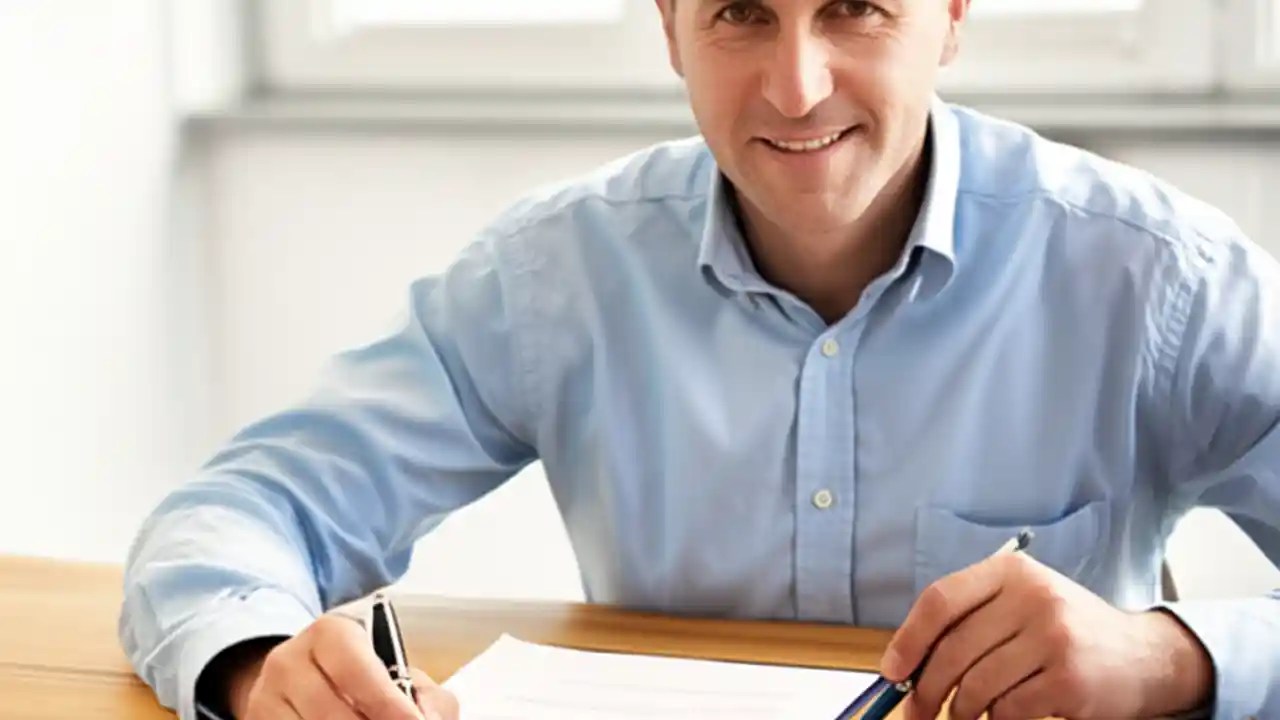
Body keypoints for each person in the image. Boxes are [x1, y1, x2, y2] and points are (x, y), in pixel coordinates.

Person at [120, 1, 1280, 718]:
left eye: (854, 8)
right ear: (667, 22)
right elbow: (239, 516)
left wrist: (1165, 659)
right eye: (737, 13)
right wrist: (258, 668)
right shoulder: (554, 272)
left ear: (952, 13)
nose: (795, 85)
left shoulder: (1155, 277)